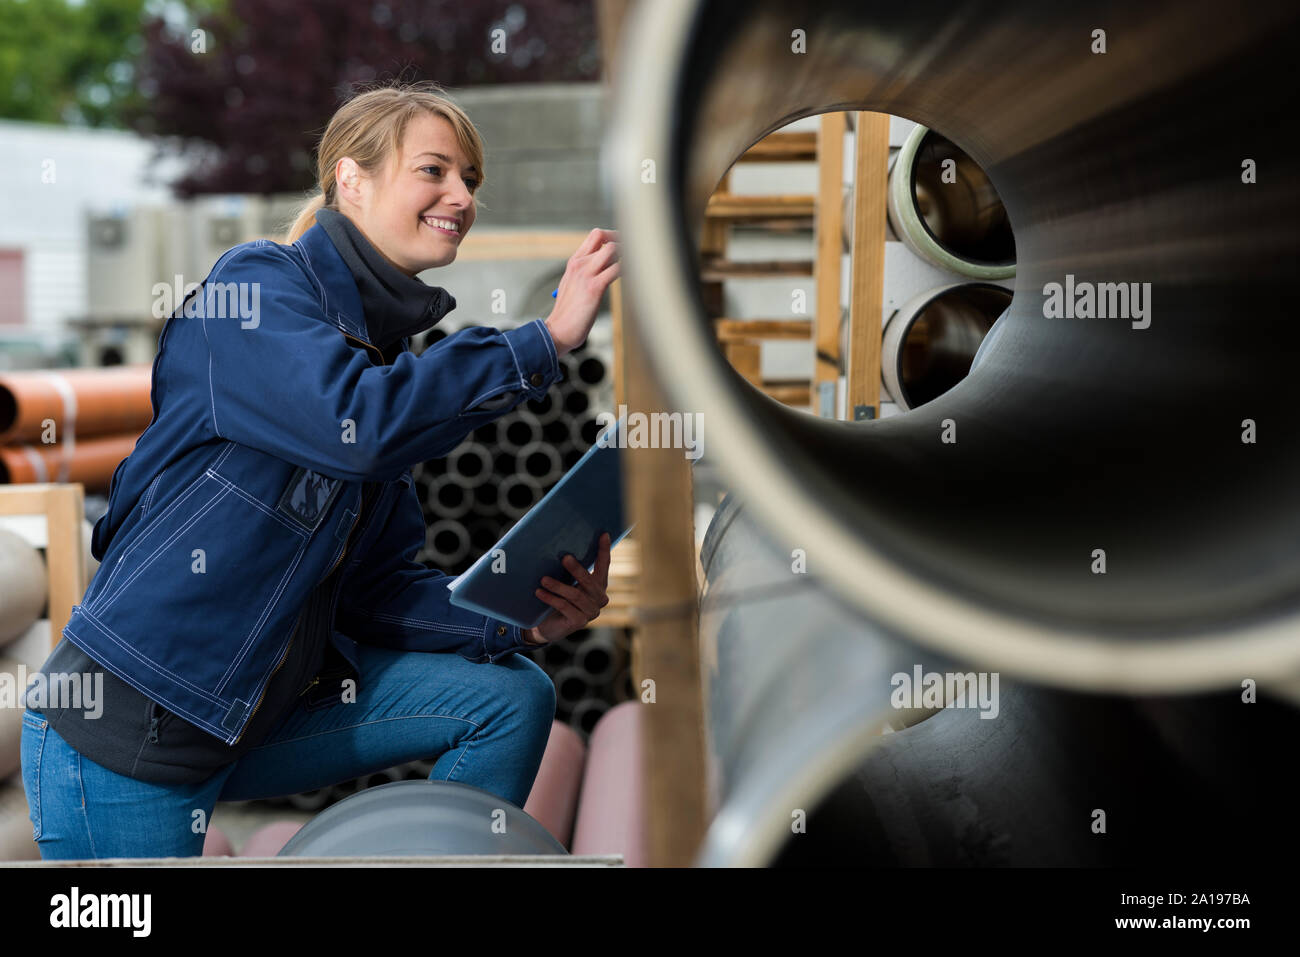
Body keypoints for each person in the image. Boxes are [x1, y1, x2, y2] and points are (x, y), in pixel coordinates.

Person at [19, 80, 620, 860]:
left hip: (251, 715)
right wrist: (541, 342)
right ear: (351, 178)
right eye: (434, 170)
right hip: (130, 737)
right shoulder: (255, 290)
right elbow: (359, 425)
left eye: (471, 179)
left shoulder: (377, 352)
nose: (461, 195)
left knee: (508, 695)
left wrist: (518, 613)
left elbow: (376, 594)